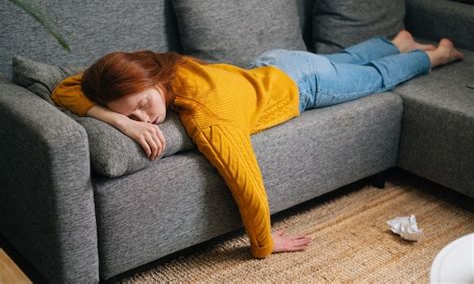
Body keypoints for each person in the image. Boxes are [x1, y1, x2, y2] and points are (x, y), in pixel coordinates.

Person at [51, 30, 463, 258]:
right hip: (273, 63)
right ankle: (399, 40)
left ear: (149, 80)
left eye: (142, 105)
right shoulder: (164, 67)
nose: (145, 119)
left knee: (375, 76)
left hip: (303, 84)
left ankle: (437, 54)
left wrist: (263, 243)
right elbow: (65, 88)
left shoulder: (208, 113)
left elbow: (244, 176)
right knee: (345, 62)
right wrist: (117, 118)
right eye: (132, 113)